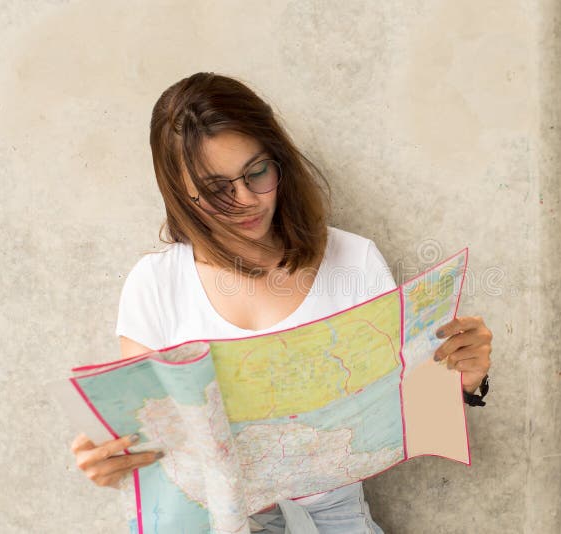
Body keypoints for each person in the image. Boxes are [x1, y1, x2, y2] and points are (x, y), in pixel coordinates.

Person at [69, 72, 493, 533]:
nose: (246, 200)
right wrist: (112, 465)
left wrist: (462, 382)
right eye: (216, 190)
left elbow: (403, 416)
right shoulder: (155, 285)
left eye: (257, 172)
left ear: (280, 160)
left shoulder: (353, 261)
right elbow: (153, 452)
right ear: (180, 194)